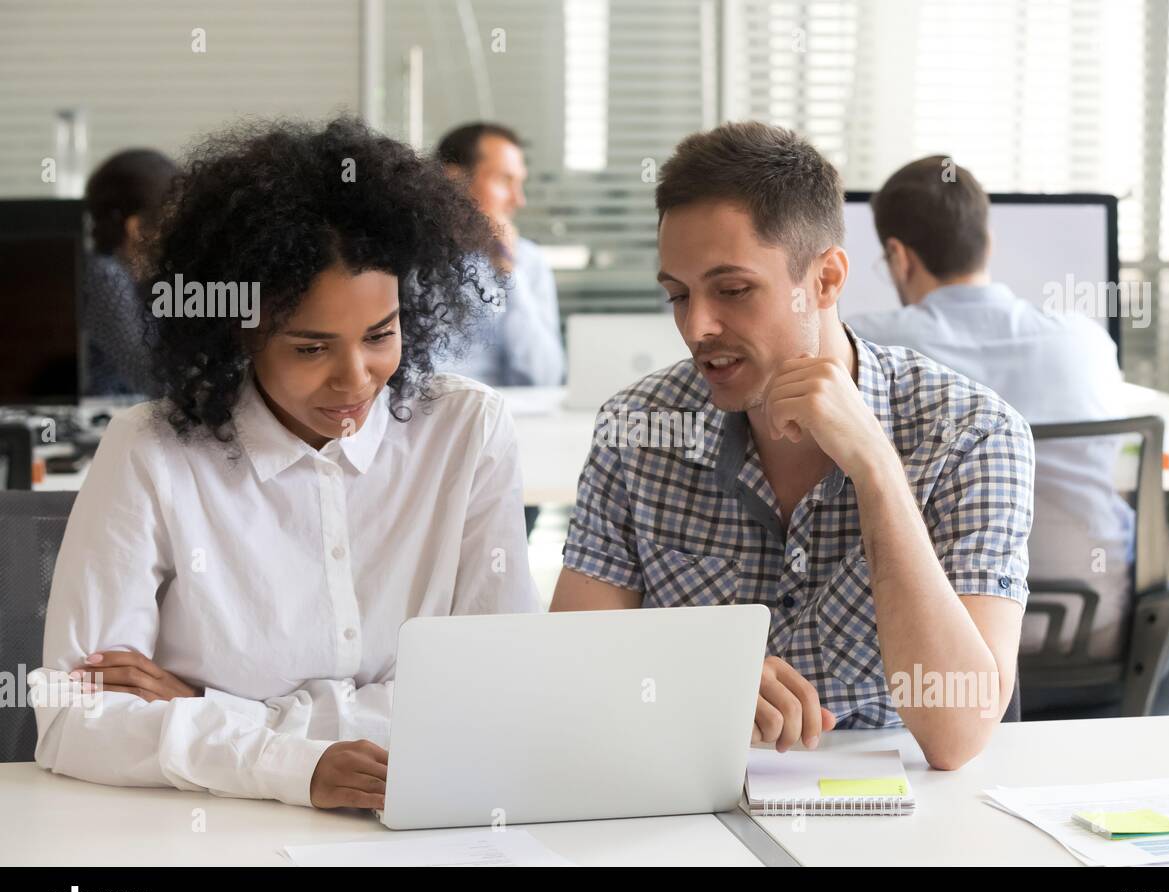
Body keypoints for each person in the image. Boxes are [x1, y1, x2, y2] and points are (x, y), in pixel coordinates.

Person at [33, 118, 538, 811]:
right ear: (241, 328)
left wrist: (219, 713)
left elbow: (499, 689)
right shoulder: (150, 451)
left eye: (380, 335)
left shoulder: (466, 433)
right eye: (310, 348)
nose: (355, 379)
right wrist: (290, 764)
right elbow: (69, 718)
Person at [549, 123, 1034, 770]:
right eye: (678, 294)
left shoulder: (973, 435)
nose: (697, 327)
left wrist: (877, 470)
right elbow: (565, 669)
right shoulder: (638, 426)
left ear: (827, 280)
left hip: (895, 813)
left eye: (733, 290)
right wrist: (693, 676)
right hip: (689, 797)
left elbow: (957, 736)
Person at [846, 156, 1134, 670]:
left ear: (898, 256)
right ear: (987, 241)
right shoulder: (1086, 342)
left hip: (950, 647)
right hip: (1099, 626)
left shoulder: (866, 348)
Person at [435, 122, 564, 388]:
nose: (519, 200)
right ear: (454, 182)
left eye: (520, 183)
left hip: (505, 416)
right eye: (505, 180)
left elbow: (546, 377)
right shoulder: (405, 259)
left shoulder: (528, 262)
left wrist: (508, 271)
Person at [82, 148, 178, 397]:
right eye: (173, 220)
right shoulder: (105, 276)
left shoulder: (144, 275)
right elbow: (147, 376)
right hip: (108, 417)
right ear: (136, 228)